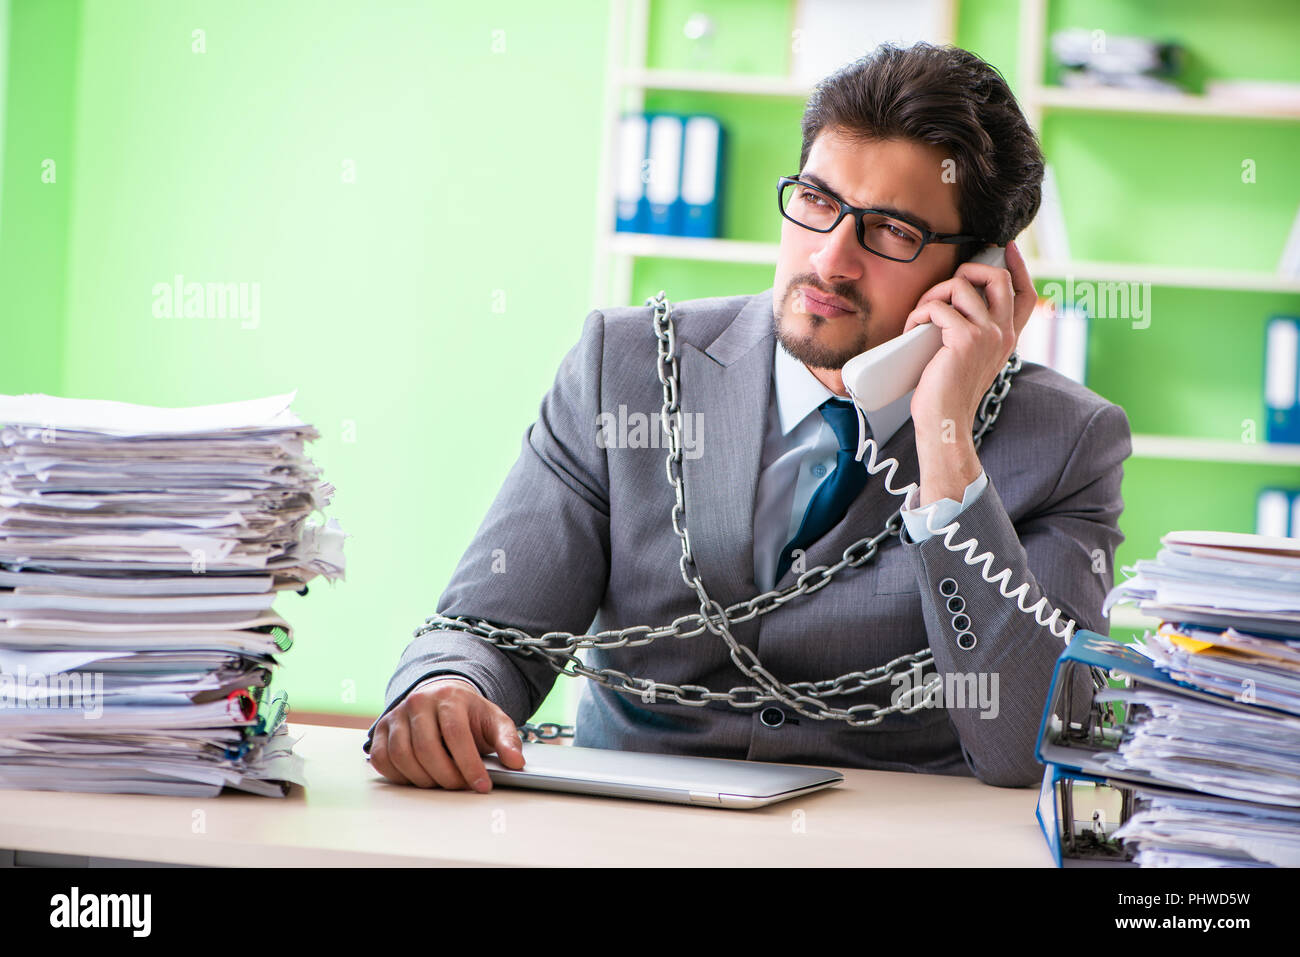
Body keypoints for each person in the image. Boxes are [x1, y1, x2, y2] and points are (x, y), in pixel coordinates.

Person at [365, 42, 1131, 793]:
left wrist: (944, 442)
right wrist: (446, 687)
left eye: (893, 230)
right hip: (623, 841)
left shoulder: (1067, 444)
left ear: (981, 274)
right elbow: (488, 629)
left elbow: (1032, 746)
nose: (830, 260)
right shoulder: (625, 366)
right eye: (817, 201)